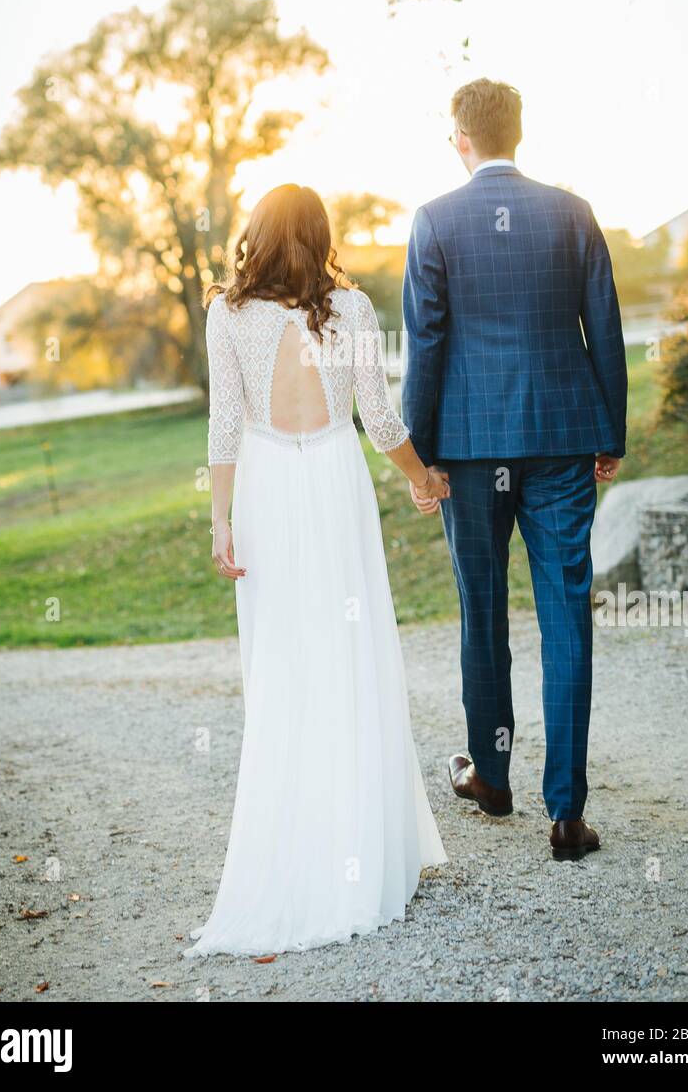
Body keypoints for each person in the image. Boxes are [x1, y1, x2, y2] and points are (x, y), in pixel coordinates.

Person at [184, 183, 447, 958]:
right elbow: (380, 419)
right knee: (352, 655)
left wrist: (220, 520)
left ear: (257, 237)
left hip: (266, 484)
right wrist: (419, 477)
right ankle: (362, 848)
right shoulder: (355, 309)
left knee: (282, 664)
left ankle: (299, 839)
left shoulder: (226, 313)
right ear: (320, 235)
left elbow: (225, 421)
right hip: (334, 480)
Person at [402, 78, 627, 861]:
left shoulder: (434, 220)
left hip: (467, 449)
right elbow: (604, 326)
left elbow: (425, 345)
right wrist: (612, 431)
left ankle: (490, 779)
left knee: (483, 610)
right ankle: (566, 814)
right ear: (519, 133)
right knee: (566, 615)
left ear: (460, 137)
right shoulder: (573, 211)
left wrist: (420, 456)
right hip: (563, 437)